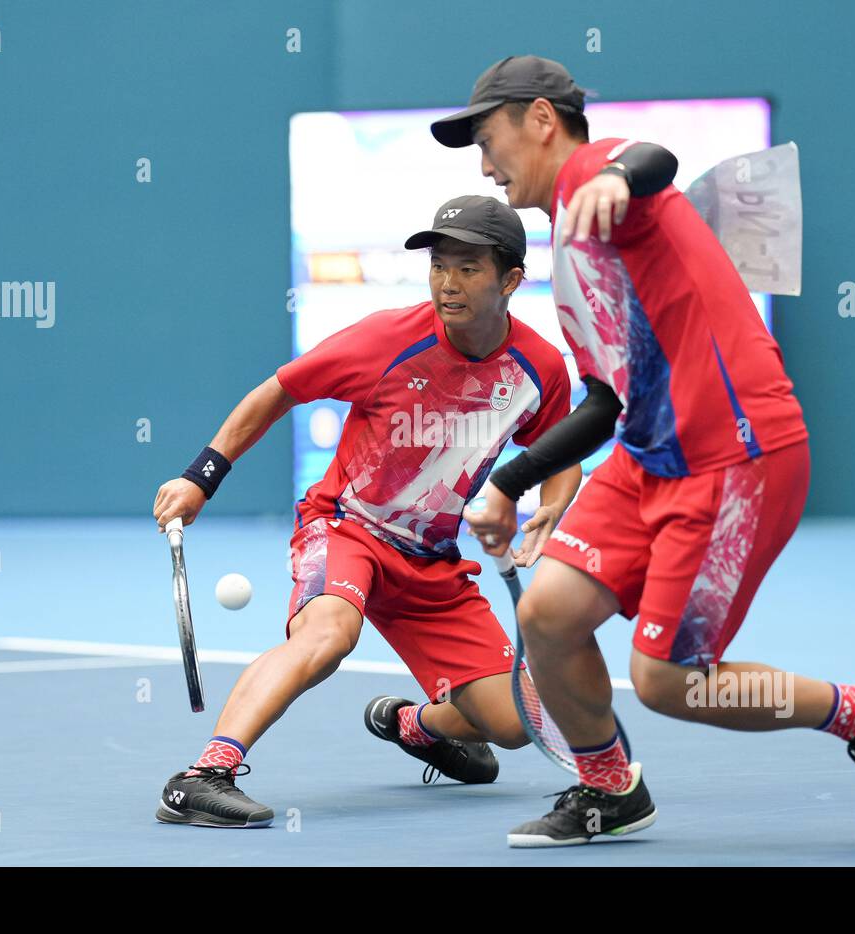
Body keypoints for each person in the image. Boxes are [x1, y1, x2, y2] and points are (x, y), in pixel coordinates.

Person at [435, 56, 855, 847]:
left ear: (540, 119)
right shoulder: (569, 253)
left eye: (488, 139)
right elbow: (604, 399)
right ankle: (609, 789)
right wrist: (510, 481)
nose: (484, 164)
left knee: (665, 681)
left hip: (737, 455)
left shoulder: (600, 181)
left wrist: (620, 179)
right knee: (549, 614)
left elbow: (651, 160)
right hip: (647, 457)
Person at [151, 195, 576, 827]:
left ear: (511, 280)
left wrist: (550, 507)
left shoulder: (537, 368)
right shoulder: (386, 339)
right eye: (439, 265)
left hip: (429, 561)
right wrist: (201, 476)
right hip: (344, 527)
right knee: (328, 636)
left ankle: (413, 725)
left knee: (514, 723)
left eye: (467, 268)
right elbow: (278, 392)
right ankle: (204, 774)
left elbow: (558, 450)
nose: (447, 283)